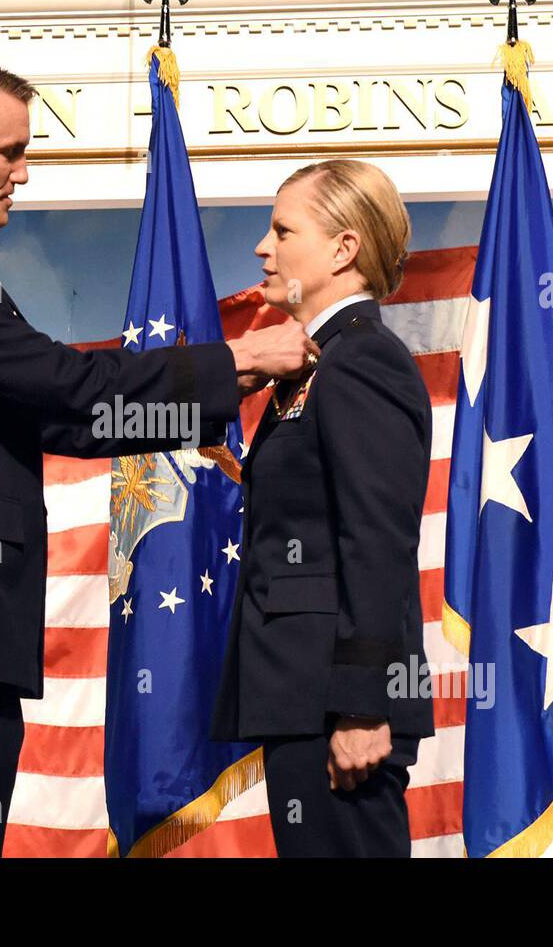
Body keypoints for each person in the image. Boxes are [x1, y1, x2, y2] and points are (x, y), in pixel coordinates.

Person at [0, 57, 317, 857]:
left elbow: (75, 421)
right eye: (10, 152)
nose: (23, 173)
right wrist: (239, 361)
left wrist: (195, 406)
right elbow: (62, 385)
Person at [209, 159, 435, 857]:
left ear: (343, 250)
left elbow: (376, 541)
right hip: (306, 698)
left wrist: (364, 705)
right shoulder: (315, 365)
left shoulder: (362, 360)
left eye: (283, 230)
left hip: (338, 705)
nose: (262, 248)